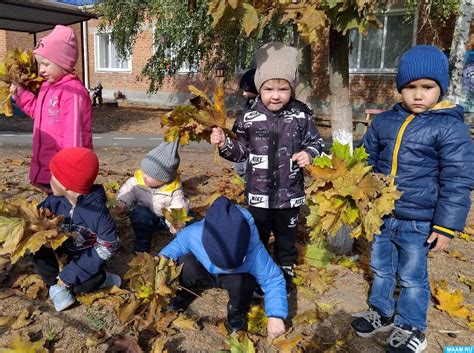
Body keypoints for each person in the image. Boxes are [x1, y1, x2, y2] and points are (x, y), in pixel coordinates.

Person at [351, 45, 474, 353]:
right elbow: (366, 160)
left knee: (411, 277)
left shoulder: (450, 127)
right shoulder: (383, 122)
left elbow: (457, 180)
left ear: (440, 88)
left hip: (419, 221)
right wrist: (358, 192)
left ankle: (412, 326)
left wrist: (446, 226)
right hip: (382, 214)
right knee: (380, 267)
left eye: (427, 87)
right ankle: (381, 311)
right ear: (400, 88)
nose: (418, 95)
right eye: (410, 87)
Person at [210, 42, 324, 285]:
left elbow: (316, 142)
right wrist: (223, 144)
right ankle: (259, 272)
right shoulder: (248, 118)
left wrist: (309, 153)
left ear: (291, 89)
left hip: (289, 195)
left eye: (283, 89)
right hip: (258, 195)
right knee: (258, 237)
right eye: (269, 88)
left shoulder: (301, 116)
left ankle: (285, 271)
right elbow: (240, 151)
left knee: (286, 239)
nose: (275, 95)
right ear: (259, 88)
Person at [159, 196, 287, 338]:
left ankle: (237, 311)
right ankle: (185, 292)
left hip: (233, 279)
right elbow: (177, 246)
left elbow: (273, 279)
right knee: (186, 263)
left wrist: (276, 315)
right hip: (203, 271)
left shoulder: (254, 250)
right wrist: (161, 261)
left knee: (244, 282)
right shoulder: (194, 233)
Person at [34, 147, 120, 312]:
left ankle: (101, 280)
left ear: (66, 184)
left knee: (87, 283)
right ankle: (55, 284)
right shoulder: (54, 201)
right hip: (63, 248)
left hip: (86, 257)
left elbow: (109, 244)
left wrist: (76, 271)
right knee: (38, 252)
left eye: (54, 175)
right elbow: (39, 217)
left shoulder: (97, 212)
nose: (49, 179)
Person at [9, 25, 92, 192]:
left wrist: (69, 175)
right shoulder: (48, 87)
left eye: (46, 64)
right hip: (46, 169)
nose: (41, 70)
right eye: (39, 65)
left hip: (63, 174)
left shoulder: (72, 92)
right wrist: (20, 93)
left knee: (65, 212)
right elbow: (38, 112)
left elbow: (74, 136)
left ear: (63, 61)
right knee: (53, 212)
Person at [115, 140, 190, 252]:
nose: (144, 175)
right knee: (139, 213)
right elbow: (128, 191)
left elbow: (178, 206)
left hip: (164, 220)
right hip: (146, 217)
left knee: (186, 221)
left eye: (149, 175)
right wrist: (121, 202)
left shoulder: (173, 189)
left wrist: (176, 222)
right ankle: (143, 242)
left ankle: (178, 242)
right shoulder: (138, 181)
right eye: (144, 171)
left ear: (163, 179)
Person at [233, 69, 259, 177]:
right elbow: (244, 116)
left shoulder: (260, 104)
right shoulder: (251, 101)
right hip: (242, 141)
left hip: (252, 144)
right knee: (239, 168)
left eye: (246, 90)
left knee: (248, 169)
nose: (243, 93)